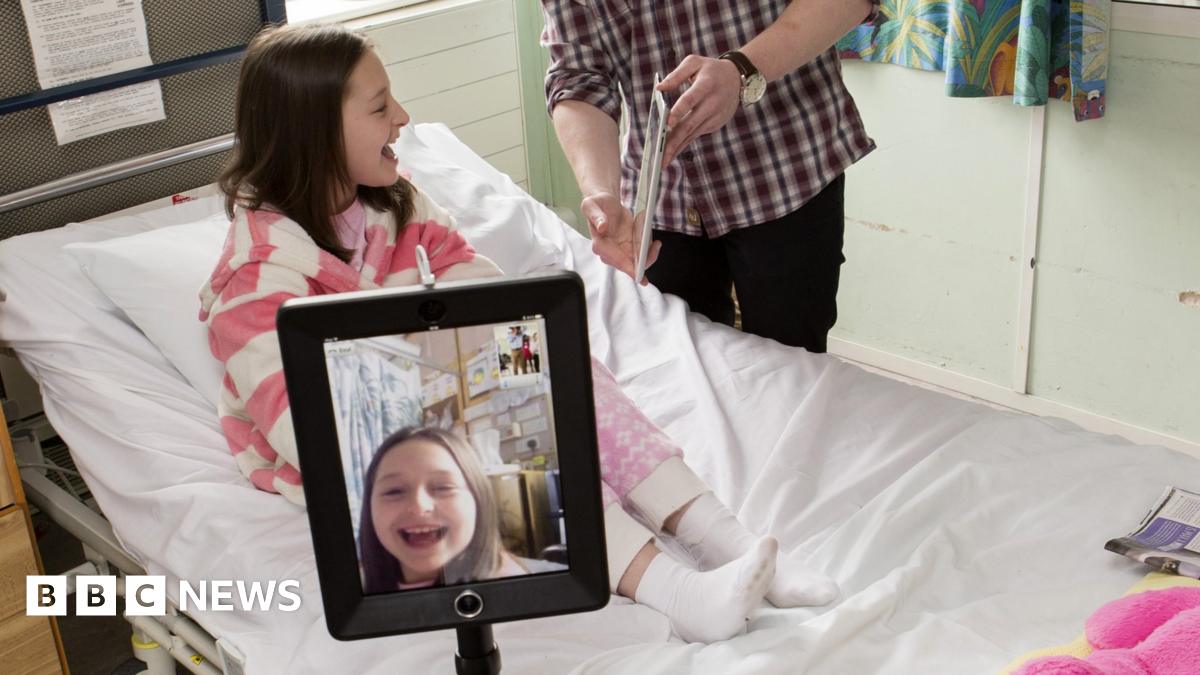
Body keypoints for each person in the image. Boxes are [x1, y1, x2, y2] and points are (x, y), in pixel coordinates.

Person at [200, 24, 836, 643]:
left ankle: (728, 540)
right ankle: (673, 590)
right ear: (315, 133)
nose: (402, 117)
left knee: (554, 359)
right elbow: (314, 434)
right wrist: (457, 395)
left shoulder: (394, 203)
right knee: (494, 427)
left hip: (429, 385)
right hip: (360, 453)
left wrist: (505, 364)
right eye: (379, 107)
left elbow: (482, 292)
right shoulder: (254, 283)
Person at [541, 0, 879, 352]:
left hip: (786, 171)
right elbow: (577, 76)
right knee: (679, 368)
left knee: (792, 366)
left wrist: (742, 70)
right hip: (662, 201)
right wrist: (601, 191)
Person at [359, 426, 564, 592]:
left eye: (443, 487)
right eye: (394, 491)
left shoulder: (538, 592)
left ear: (478, 499)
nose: (419, 507)